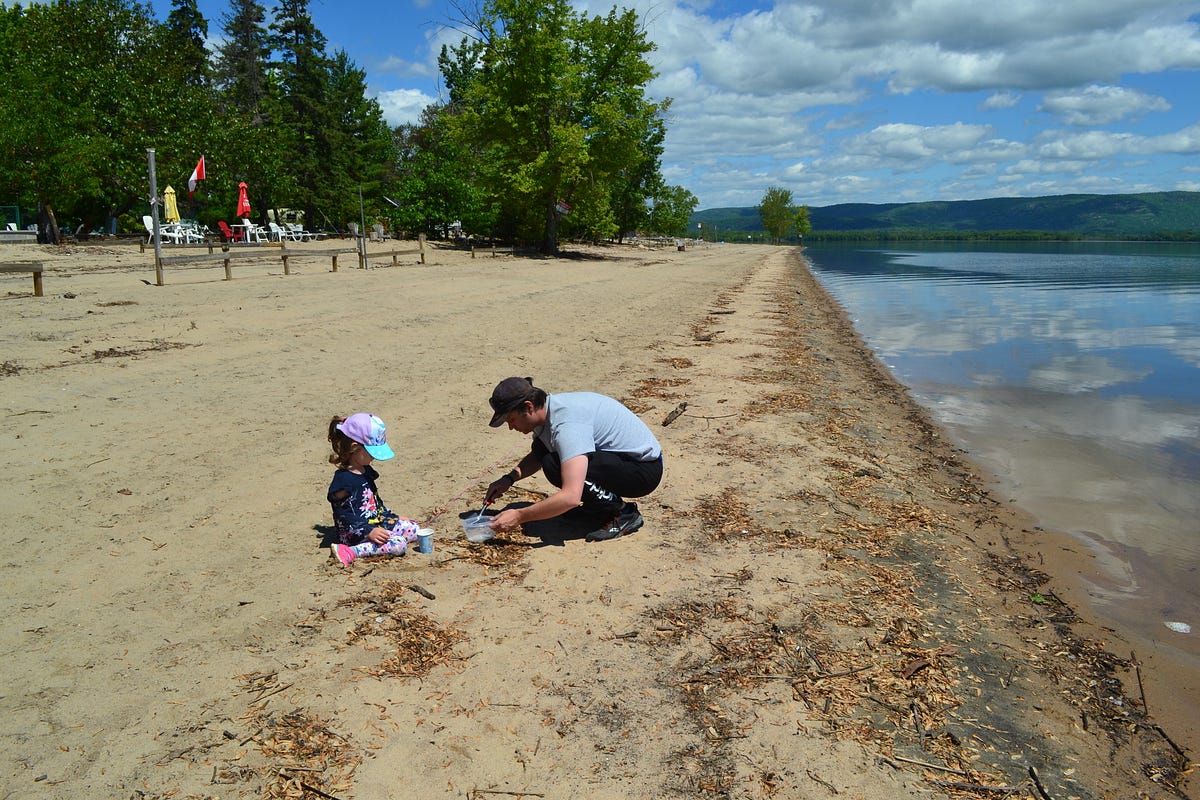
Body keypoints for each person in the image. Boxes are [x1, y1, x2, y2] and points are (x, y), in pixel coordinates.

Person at [483, 377, 664, 542]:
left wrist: (519, 516)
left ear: (529, 407)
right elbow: (537, 456)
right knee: (547, 456)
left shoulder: (567, 426)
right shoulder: (548, 409)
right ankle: (599, 507)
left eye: (511, 419)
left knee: (555, 464)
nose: (511, 427)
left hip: (643, 469)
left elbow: (571, 497)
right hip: (623, 461)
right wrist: (509, 479)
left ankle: (624, 513)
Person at [326, 413, 421, 566]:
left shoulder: (365, 470)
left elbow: (375, 501)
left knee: (414, 529)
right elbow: (344, 514)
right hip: (354, 532)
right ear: (354, 448)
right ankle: (351, 551)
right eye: (371, 452)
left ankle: (380, 538)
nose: (374, 457)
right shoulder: (343, 480)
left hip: (375, 522)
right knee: (399, 544)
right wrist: (368, 531)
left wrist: (392, 518)